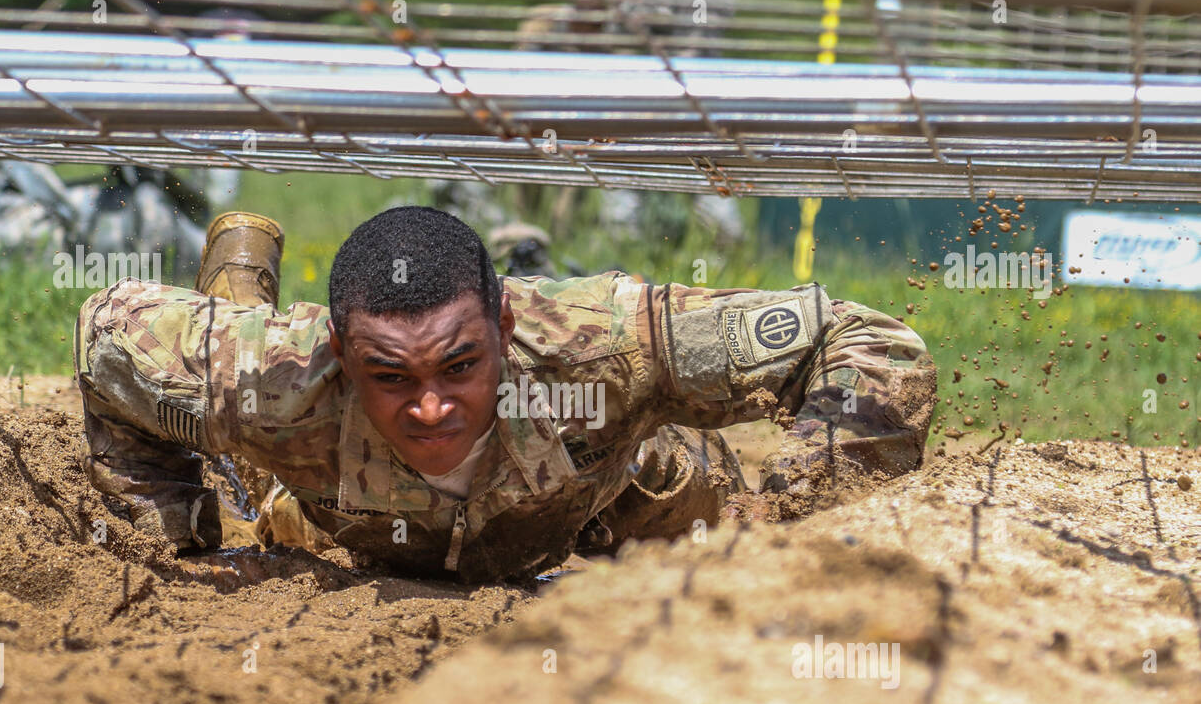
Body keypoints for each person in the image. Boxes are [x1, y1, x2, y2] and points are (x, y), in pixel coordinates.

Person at [74, 207, 936, 582]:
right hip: (345, 510)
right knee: (248, 460)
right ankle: (241, 257)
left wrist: (807, 528)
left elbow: (868, 340)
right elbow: (108, 332)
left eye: (459, 366)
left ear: (504, 316)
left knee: (695, 523)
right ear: (341, 354)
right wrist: (181, 535)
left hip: (612, 494)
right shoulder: (277, 375)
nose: (432, 408)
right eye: (391, 377)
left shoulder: (604, 338)